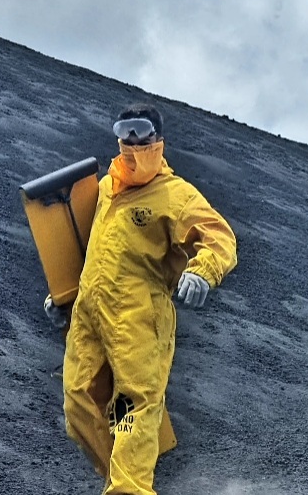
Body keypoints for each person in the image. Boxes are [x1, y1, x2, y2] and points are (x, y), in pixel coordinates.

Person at [43, 103, 238, 495]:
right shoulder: (103, 191)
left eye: (141, 132)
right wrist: (63, 295)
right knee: (78, 402)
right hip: (90, 312)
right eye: (124, 130)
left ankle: (130, 489)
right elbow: (90, 250)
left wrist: (203, 271)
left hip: (139, 313)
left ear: (157, 139)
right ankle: (123, 476)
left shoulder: (175, 194)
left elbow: (220, 237)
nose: (132, 140)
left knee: (132, 404)